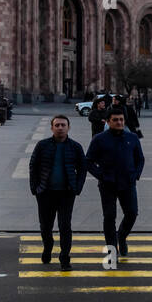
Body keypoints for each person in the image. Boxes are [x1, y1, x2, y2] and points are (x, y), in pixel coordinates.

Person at [28, 114, 88, 270]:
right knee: (45, 226)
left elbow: (82, 168)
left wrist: (78, 187)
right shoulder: (42, 145)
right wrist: (34, 188)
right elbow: (33, 166)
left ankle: (64, 258)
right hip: (45, 192)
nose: (60, 128)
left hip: (66, 193)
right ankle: (48, 247)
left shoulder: (75, 147)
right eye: (57, 125)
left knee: (65, 226)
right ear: (52, 128)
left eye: (63, 125)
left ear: (68, 127)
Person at [86, 106, 146, 259]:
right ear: (108, 121)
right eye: (115, 120)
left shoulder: (132, 138)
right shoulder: (99, 139)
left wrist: (135, 175)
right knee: (109, 217)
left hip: (128, 183)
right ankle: (112, 251)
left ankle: (122, 236)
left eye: (121, 120)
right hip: (108, 184)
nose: (119, 122)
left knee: (132, 213)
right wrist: (101, 175)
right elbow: (88, 161)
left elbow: (140, 159)